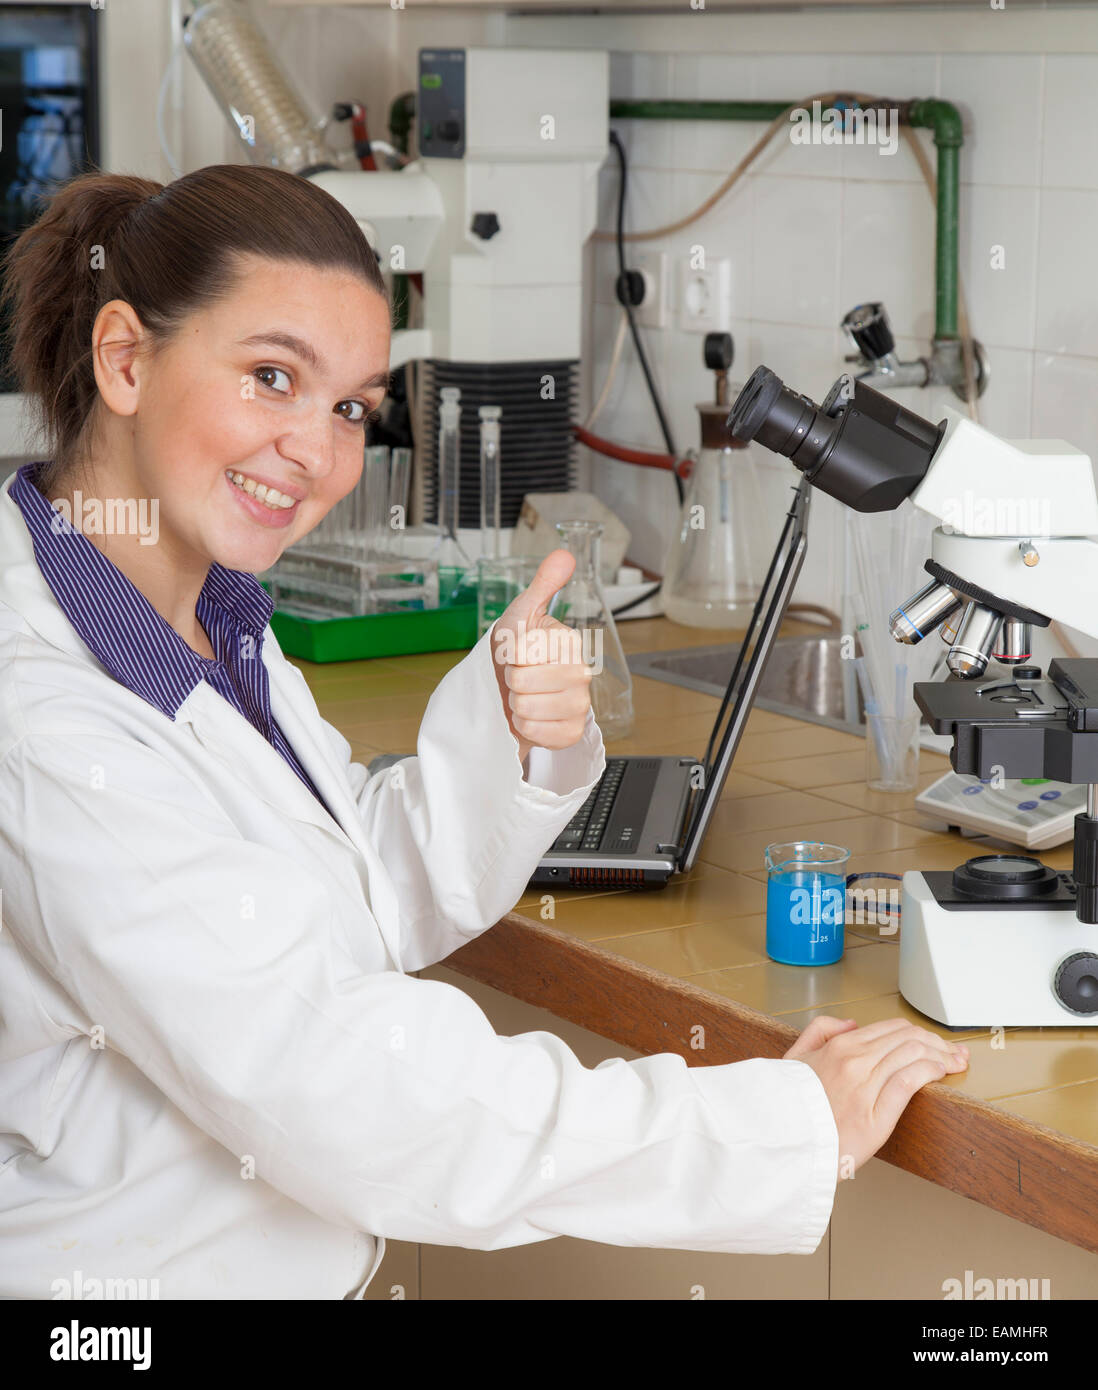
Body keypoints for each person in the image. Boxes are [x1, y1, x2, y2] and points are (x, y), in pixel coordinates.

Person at [0, 165, 967, 1300]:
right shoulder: (50, 723)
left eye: (353, 406)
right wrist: (774, 1124)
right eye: (272, 377)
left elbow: (336, 897)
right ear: (125, 359)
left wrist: (505, 741)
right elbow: (346, 1094)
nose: (315, 453)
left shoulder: (199, 610)